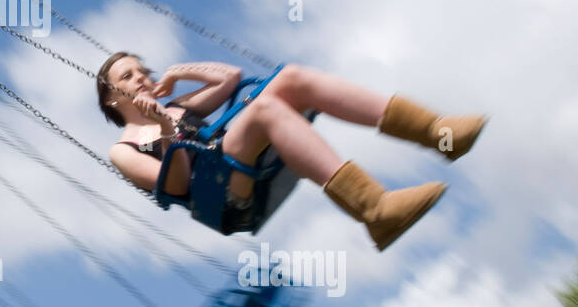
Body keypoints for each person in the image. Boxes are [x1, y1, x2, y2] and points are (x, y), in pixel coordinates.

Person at [97, 55, 487, 251]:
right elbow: (177, 186)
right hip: (220, 198)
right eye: (128, 77)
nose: (142, 77)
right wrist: (167, 133)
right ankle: (374, 209)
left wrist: (179, 71)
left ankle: (438, 132)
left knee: (292, 77)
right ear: (113, 99)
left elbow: (229, 77)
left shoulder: (178, 107)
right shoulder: (125, 148)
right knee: (264, 109)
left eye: (143, 69)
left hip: (238, 158)